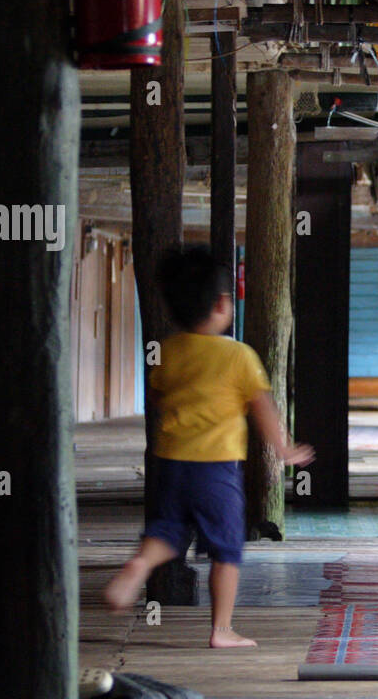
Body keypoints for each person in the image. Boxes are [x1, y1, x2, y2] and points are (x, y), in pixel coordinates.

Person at [104, 248, 314, 648]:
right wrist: (284, 450)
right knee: (225, 548)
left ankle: (140, 563)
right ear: (222, 303)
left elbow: (161, 393)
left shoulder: (168, 352)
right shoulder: (239, 356)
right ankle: (221, 629)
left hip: (170, 465)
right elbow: (263, 408)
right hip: (216, 470)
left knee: (168, 529)